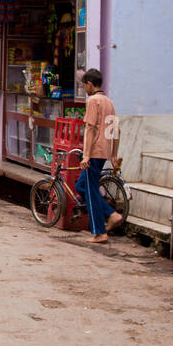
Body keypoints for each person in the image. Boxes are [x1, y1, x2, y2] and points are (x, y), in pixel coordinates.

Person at [77, 67, 123, 244]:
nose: (85, 89)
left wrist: (86, 155)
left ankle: (100, 231)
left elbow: (89, 129)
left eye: (85, 86)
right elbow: (116, 129)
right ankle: (110, 215)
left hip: (94, 151)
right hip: (104, 152)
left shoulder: (93, 101)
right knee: (82, 186)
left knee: (89, 189)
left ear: (89, 84)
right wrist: (113, 154)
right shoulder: (108, 102)